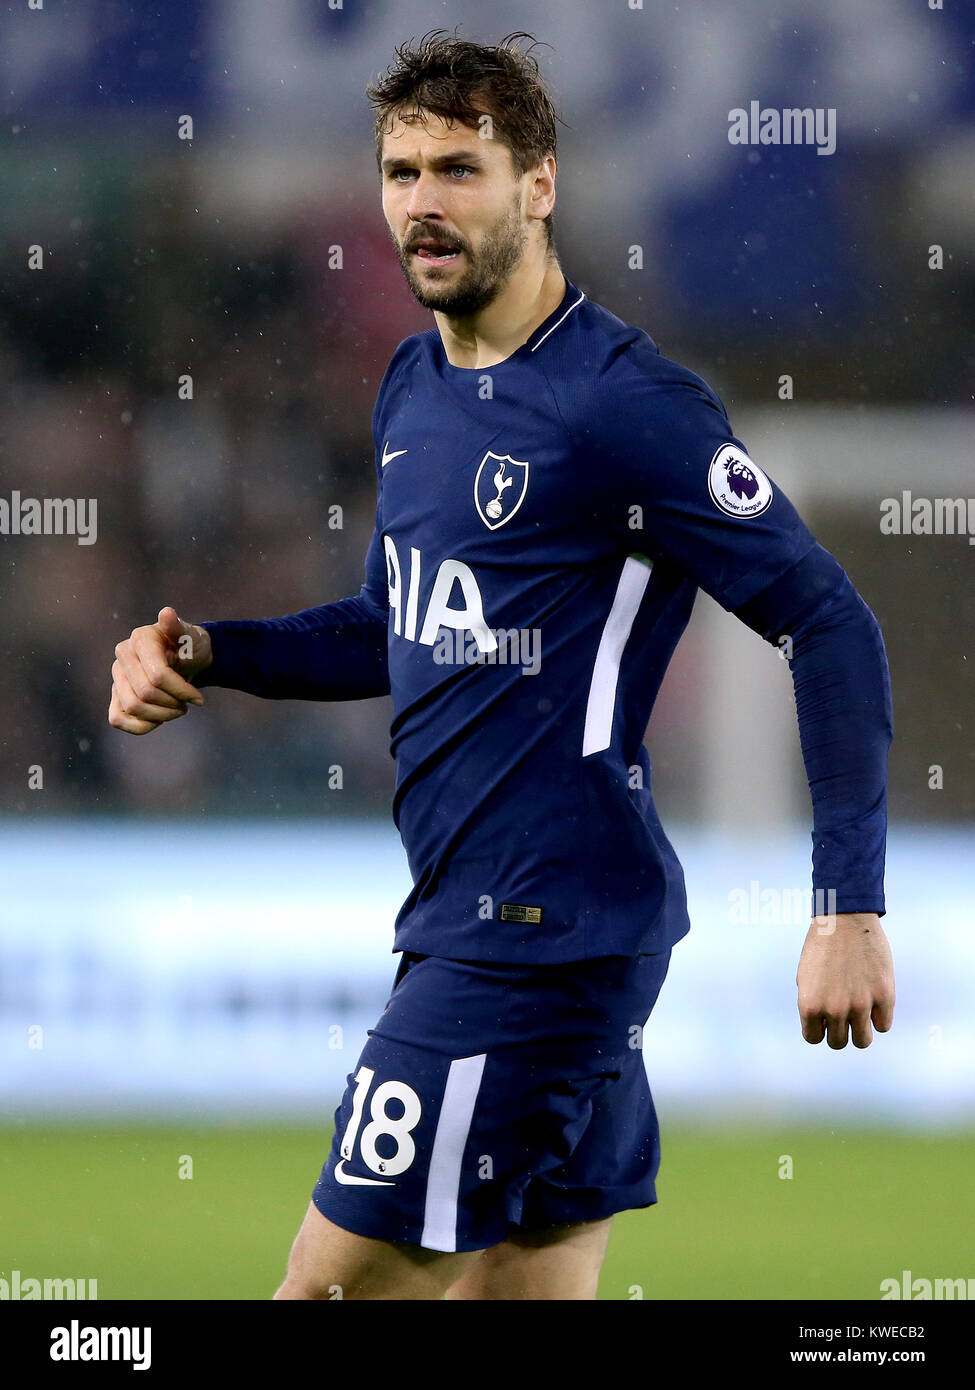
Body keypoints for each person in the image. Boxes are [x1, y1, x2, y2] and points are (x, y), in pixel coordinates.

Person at [108, 30, 895, 1301]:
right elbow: (392, 626)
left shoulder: (626, 406)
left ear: (539, 185)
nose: (422, 202)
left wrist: (848, 904)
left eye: (459, 169)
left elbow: (832, 623)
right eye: (401, 170)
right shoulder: (416, 382)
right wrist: (212, 651)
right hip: (500, 925)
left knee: (321, 1291)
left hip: (532, 940)